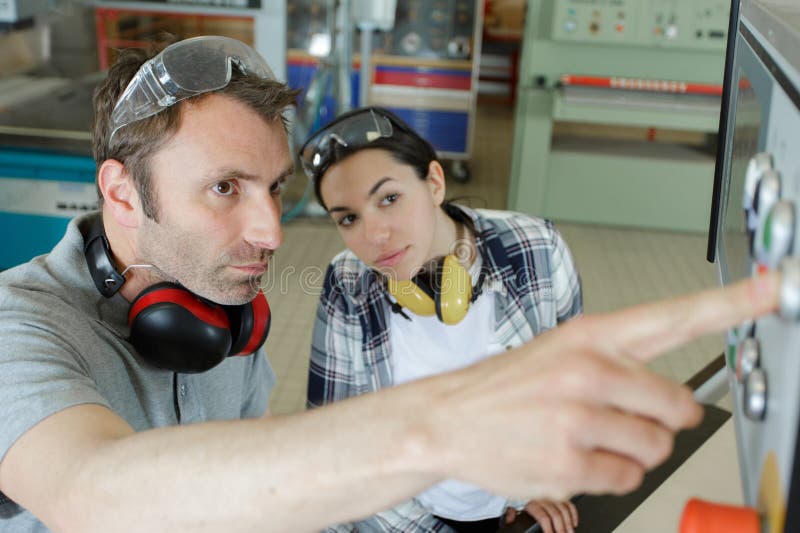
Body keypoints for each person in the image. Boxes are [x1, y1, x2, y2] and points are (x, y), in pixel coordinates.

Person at [0, 35, 782, 533]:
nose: (273, 231)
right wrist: (437, 427)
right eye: (225, 188)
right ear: (123, 192)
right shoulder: (18, 328)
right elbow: (92, 492)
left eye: (273, 188)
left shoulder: (224, 308)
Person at [302, 107, 582, 533]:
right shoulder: (348, 283)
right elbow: (338, 447)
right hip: (398, 520)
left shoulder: (535, 247)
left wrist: (542, 482)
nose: (374, 235)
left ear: (434, 182)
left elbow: (575, 385)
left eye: (389, 198)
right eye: (349, 218)